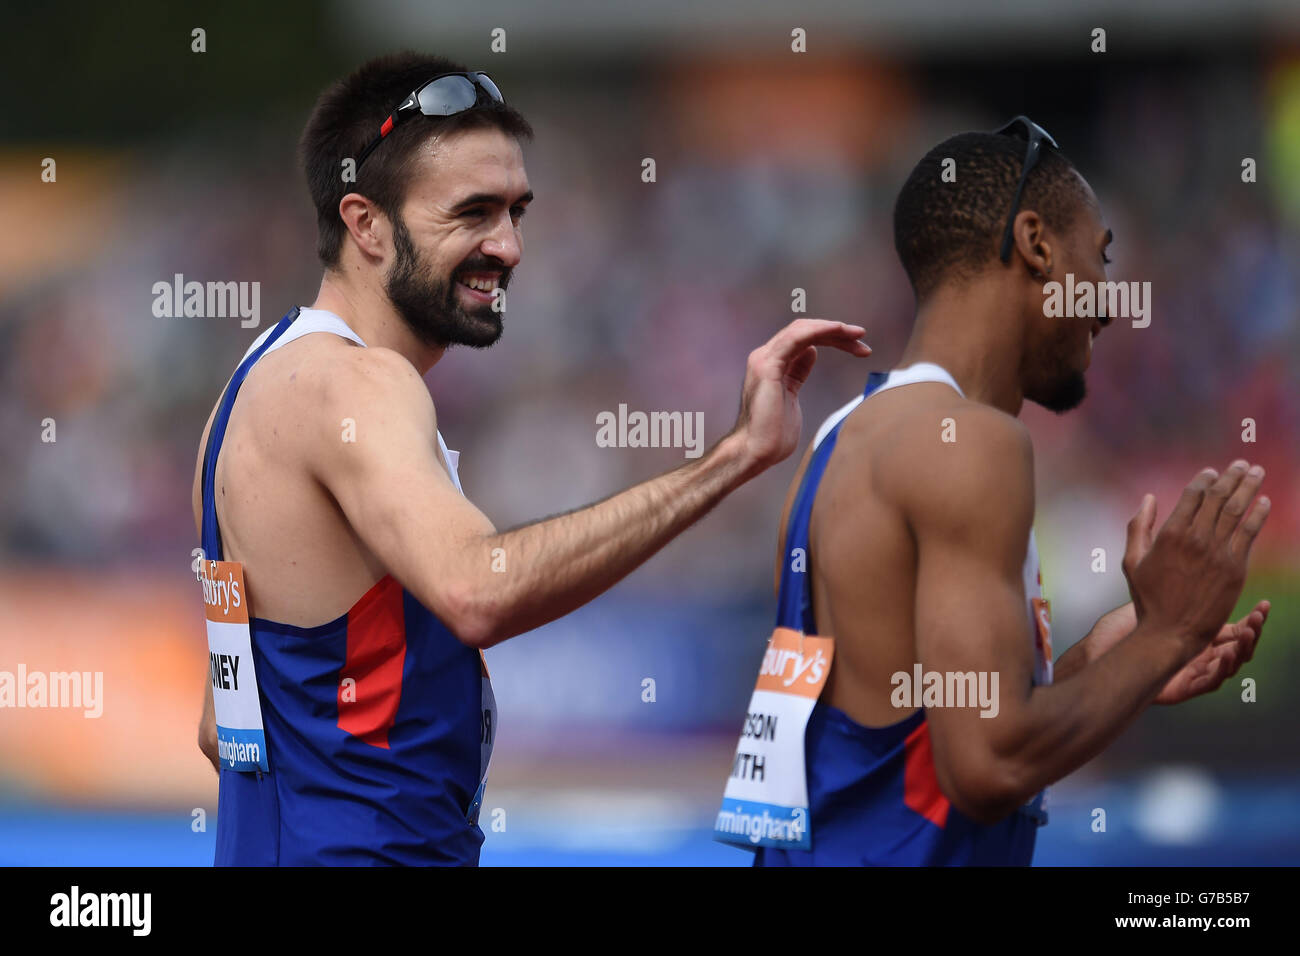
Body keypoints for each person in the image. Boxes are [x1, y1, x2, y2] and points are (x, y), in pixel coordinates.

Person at [191, 51, 869, 865]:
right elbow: (477, 592)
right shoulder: (352, 386)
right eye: (473, 213)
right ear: (365, 222)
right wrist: (733, 459)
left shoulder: (255, 385)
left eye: (517, 212)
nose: (509, 247)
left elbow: (219, 724)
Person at [724, 118, 1269, 866]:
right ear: (1038, 243)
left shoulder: (843, 439)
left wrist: (1104, 666)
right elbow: (987, 766)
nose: (1108, 305)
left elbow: (909, 737)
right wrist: (1165, 635)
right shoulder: (971, 445)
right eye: (1100, 257)